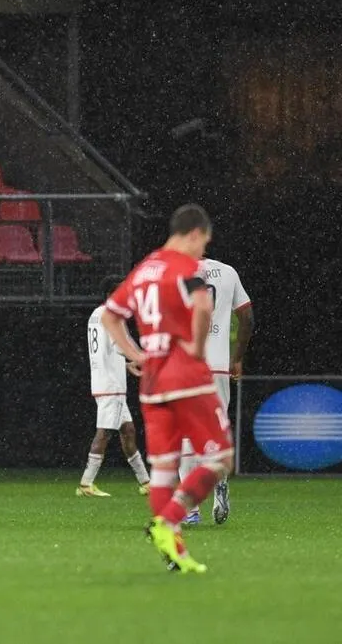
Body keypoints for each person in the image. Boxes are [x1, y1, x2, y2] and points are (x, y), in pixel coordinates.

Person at [102, 204, 233, 573]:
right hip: (186, 375)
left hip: (152, 380)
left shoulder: (144, 269)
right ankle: (168, 521)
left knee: (163, 468)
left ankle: (173, 552)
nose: (202, 252)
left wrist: (136, 353)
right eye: (203, 243)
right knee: (220, 458)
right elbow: (203, 305)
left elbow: (111, 315)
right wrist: (195, 345)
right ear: (194, 233)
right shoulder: (187, 267)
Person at [179, 257, 254, 525]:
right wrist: (236, 357)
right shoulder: (227, 271)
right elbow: (247, 316)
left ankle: (190, 511)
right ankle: (220, 480)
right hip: (219, 367)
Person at [77, 277, 152, 497]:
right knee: (104, 433)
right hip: (112, 385)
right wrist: (143, 358)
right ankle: (86, 484)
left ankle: (145, 482)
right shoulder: (112, 316)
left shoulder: (96, 314)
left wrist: (128, 362)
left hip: (104, 380)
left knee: (127, 430)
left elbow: (109, 348)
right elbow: (123, 343)